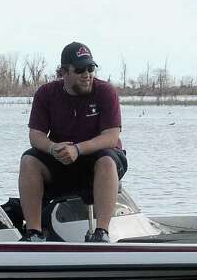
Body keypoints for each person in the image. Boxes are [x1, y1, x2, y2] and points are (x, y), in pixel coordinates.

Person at [19, 42, 126, 243]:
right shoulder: (46, 94)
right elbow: (36, 135)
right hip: (62, 159)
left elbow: (111, 137)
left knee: (106, 160)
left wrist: (77, 149)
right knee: (29, 160)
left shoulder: (105, 92)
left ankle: (101, 233)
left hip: (99, 159)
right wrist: (52, 148)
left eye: (90, 68)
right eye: (79, 70)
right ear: (64, 73)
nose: (87, 74)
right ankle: (34, 234)